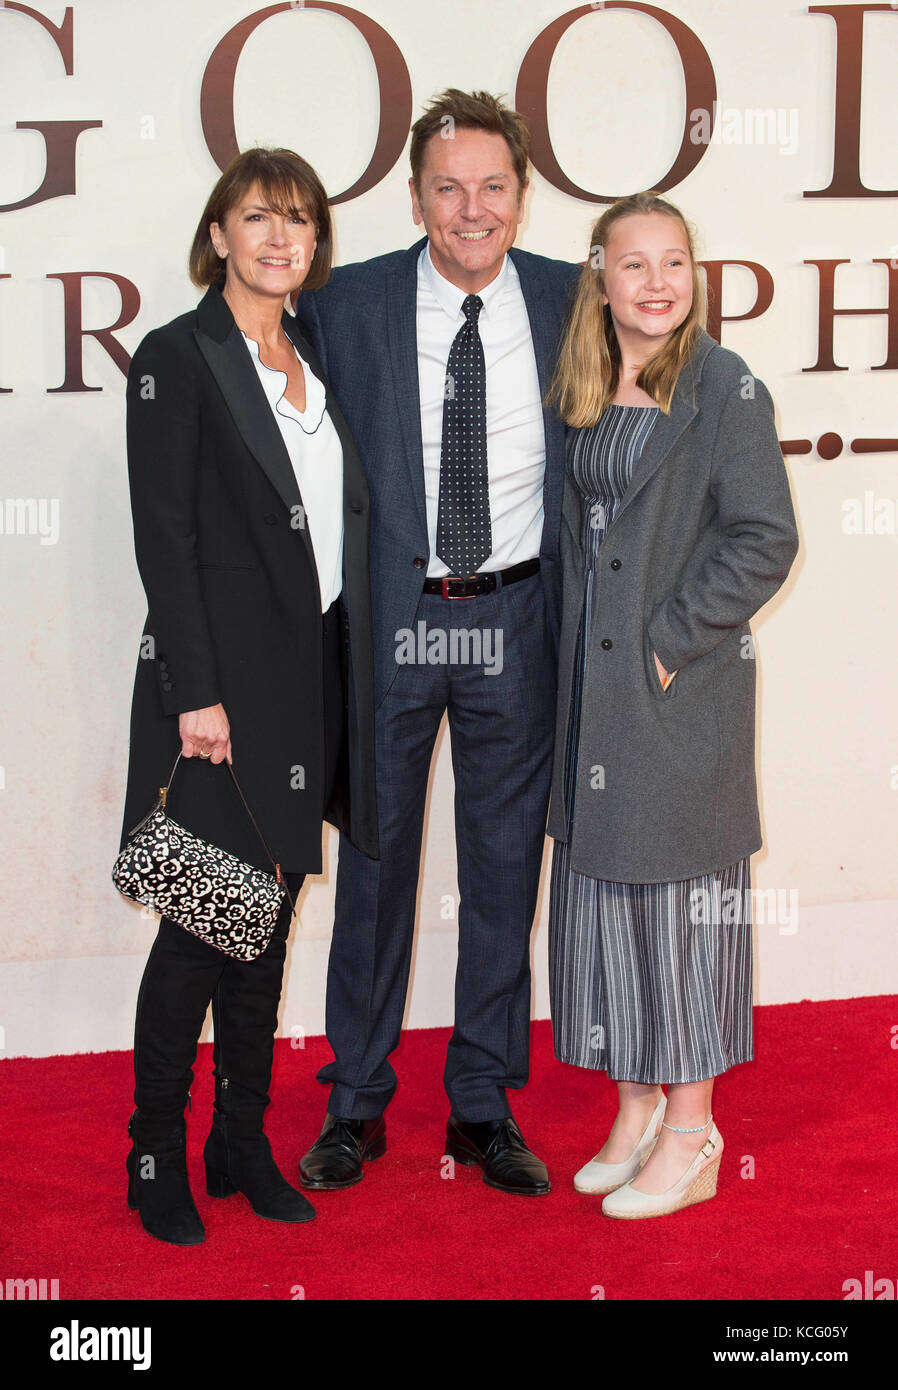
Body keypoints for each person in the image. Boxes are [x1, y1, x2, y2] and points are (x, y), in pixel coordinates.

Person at [294, 90, 579, 1196]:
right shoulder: (347, 302)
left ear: (521, 193)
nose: (472, 209)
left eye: (492, 187)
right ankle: (356, 1101)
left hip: (518, 612)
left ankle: (478, 1104)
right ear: (415, 195)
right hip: (393, 615)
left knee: (506, 868)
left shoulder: (571, 298)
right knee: (373, 865)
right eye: (448, 188)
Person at [119, 146, 378, 1245]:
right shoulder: (176, 356)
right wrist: (198, 690)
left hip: (309, 677)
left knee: (264, 926)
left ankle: (239, 1140)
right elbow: (164, 534)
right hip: (218, 691)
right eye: (258, 218)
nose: (281, 238)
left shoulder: (314, 357)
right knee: (200, 927)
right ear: (218, 233)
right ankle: (152, 1151)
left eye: (300, 222)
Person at [545, 190, 799, 1218]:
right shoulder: (588, 378)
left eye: (674, 262)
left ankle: (693, 1131)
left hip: (674, 696)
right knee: (607, 912)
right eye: (634, 262)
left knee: (682, 914)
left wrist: (665, 644)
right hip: (590, 699)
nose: (656, 282)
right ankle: (636, 1107)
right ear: (599, 278)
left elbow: (763, 538)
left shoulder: (723, 386)